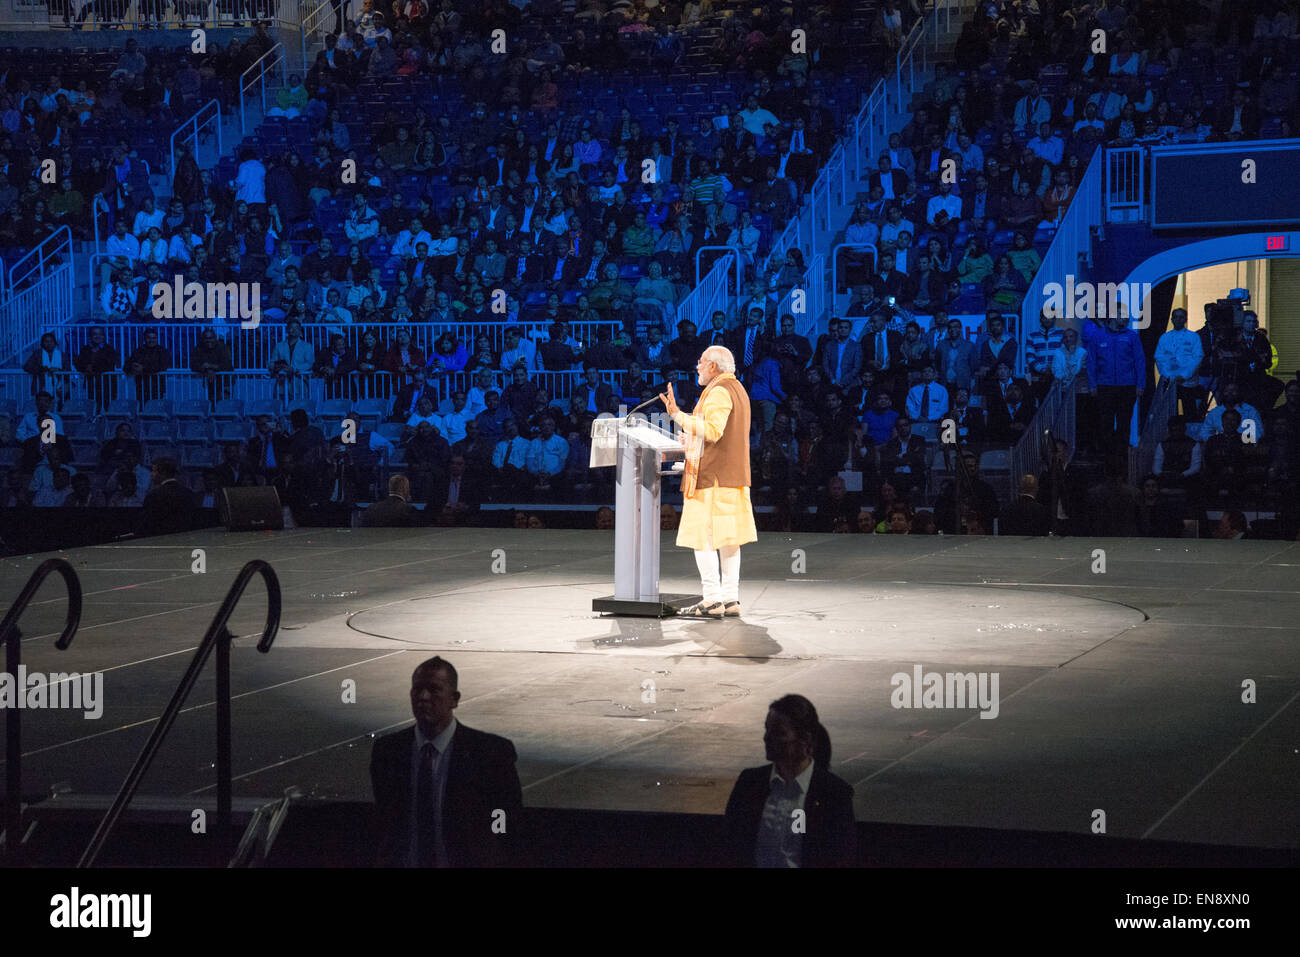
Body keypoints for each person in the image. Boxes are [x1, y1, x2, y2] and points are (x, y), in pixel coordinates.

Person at [370, 656, 523, 867]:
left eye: (433, 690)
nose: (423, 697)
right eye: (417, 690)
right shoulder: (388, 752)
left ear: (454, 699)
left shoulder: (489, 753)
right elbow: (385, 820)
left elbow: (508, 822)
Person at [659, 346, 757, 618]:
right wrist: (691, 437)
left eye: (701, 362)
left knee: (702, 537)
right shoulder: (737, 389)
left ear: (713, 366)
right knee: (729, 540)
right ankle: (729, 599)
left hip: (712, 478)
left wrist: (678, 416)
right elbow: (718, 434)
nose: (697, 366)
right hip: (730, 477)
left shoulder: (718, 391)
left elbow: (713, 431)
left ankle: (712, 599)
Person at [722, 693, 856, 867]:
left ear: (805, 739)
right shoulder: (749, 784)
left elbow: (840, 856)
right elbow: (730, 845)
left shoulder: (834, 793)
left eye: (779, 733)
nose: (767, 737)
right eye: (767, 729)